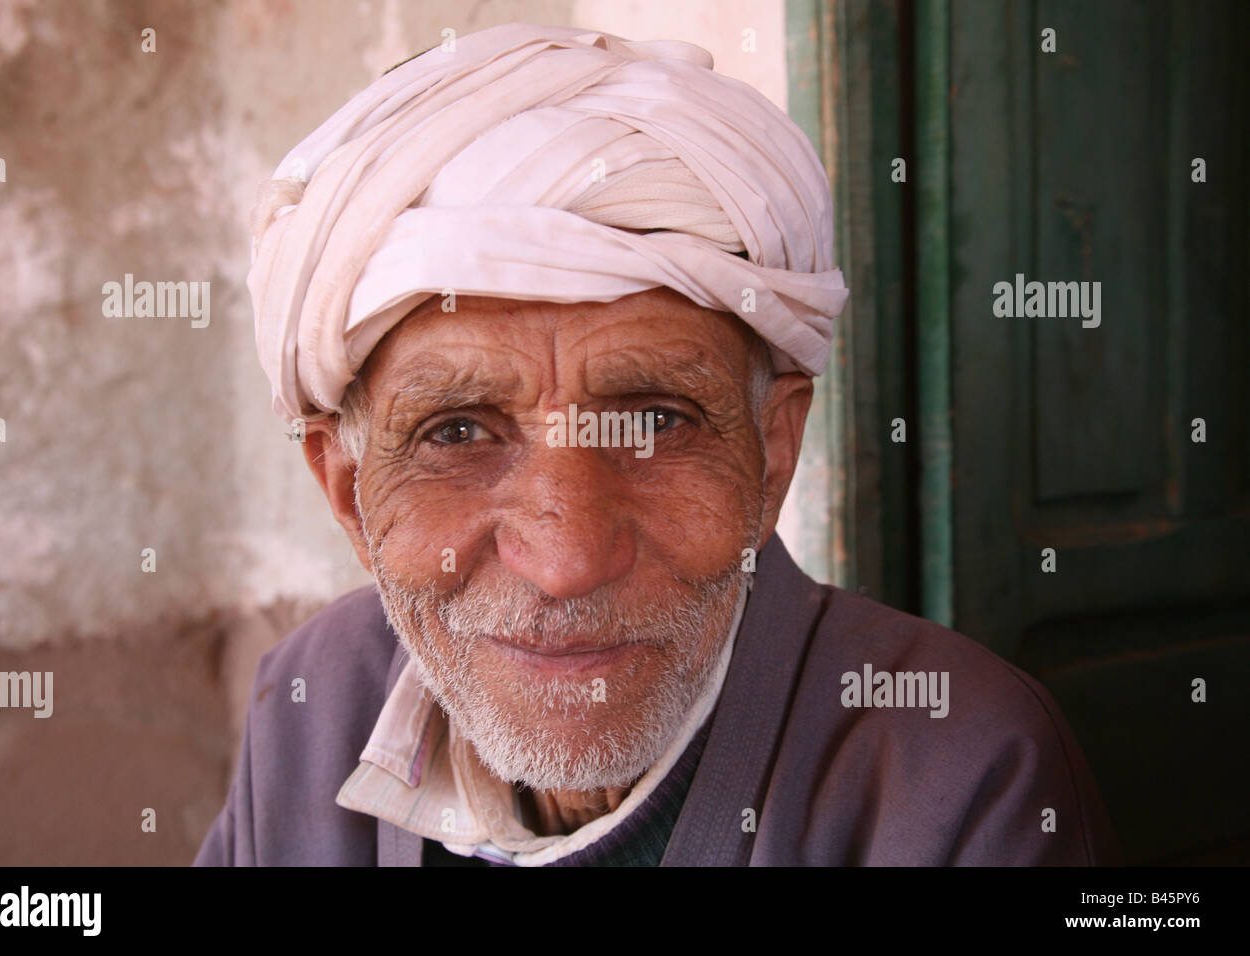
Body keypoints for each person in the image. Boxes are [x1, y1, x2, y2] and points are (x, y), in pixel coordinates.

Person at [194, 22, 1118, 866]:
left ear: (771, 453)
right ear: (350, 492)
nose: (566, 560)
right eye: (458, 432)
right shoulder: (308, 707)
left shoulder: (958, 773)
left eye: (654, 422)